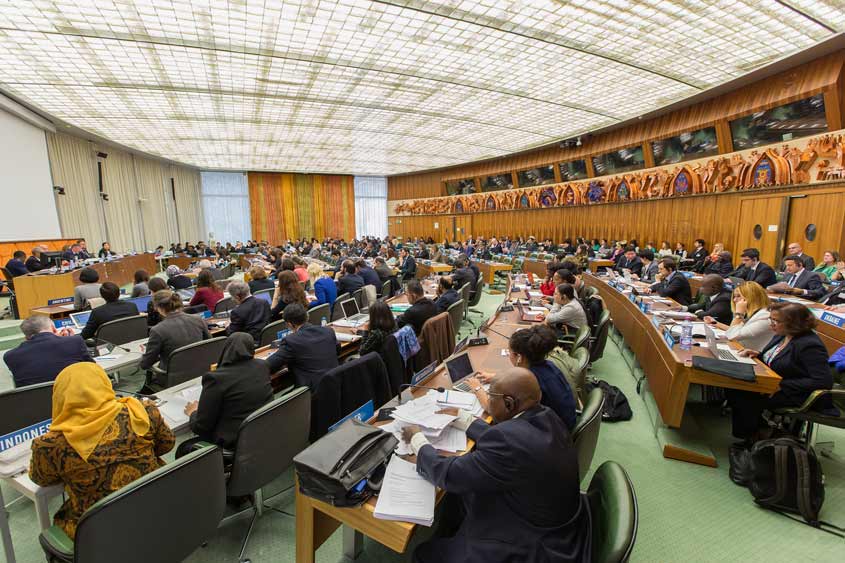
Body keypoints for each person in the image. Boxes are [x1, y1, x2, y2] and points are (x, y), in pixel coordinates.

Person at [403, 367, 588, 563]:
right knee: (459, 497)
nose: (488, 401)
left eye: (491, 397)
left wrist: (417, 440)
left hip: (532, 542)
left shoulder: (508, 443)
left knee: (423, 555)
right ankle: (456, 535)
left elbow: (448, 474)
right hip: (552, 516)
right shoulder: (547, 416)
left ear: (508, 403)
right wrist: (461, 417)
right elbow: (510, 441)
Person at [29, 363, 175, 539]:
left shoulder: (50, 445)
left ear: (60, 396)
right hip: (155, 508)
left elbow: (41, 478)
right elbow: (167, 444)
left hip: (99, 533)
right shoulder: (143, 412)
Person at [728, 303, 836, 444]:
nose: (771, 324)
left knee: (744, 394)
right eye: (771, 320)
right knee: (735, 385)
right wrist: (759, 355)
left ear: (794, 323)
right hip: (776, 385)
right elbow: (778, 359)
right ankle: (758, 431)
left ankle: (758, 435)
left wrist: (780, 385)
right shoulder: (782, 335)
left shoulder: (809, 345)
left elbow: (823, 381)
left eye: (776, 321)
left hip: (798, 394)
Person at [177, 333, 274, 456]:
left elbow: (201, 426)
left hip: (232, 441)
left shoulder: (215, 378)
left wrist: (193, 412)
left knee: (183, 449)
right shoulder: (263, 365)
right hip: (261, 431)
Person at [477, 325, 577, 431]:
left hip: (552, 434)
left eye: (509, 352)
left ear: (519, 357)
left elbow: (494, 410)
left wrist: (477, 388)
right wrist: (495, 377)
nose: (509, 355)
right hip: (563, 424)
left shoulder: (529, 381)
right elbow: (516, 378)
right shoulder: (548, 366)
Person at [4, 316, 92, 388]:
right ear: (54, 329)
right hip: (75, 398)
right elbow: (92, 368)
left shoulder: (10, 356)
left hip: (36, 405)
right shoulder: (75, 341)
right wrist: (68, 339)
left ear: (26, 337)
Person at [266, 304, 339, 390]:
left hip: (311, 392)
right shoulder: (328, 331)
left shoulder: (291, 341)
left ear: (289, 324)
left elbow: (270, 365)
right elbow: (338, 350)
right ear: (307, 317)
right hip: (335, 383)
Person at [139, 290, 210, 373]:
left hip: (174, 376)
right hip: (201, 369)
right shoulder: (198, 319)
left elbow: (145, 364)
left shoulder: (157, 330)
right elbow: (209, 344)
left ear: (158, 308)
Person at [718, 281, 774, 351]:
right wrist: (717, 324)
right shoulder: (754, 313)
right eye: (734, 297)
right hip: (740, 349)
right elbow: (735, 330)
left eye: (738, 296)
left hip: (753, 359)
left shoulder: (765, 317)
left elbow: (732, 335)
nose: (734, 300)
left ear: (752, 297)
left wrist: (739, 314)